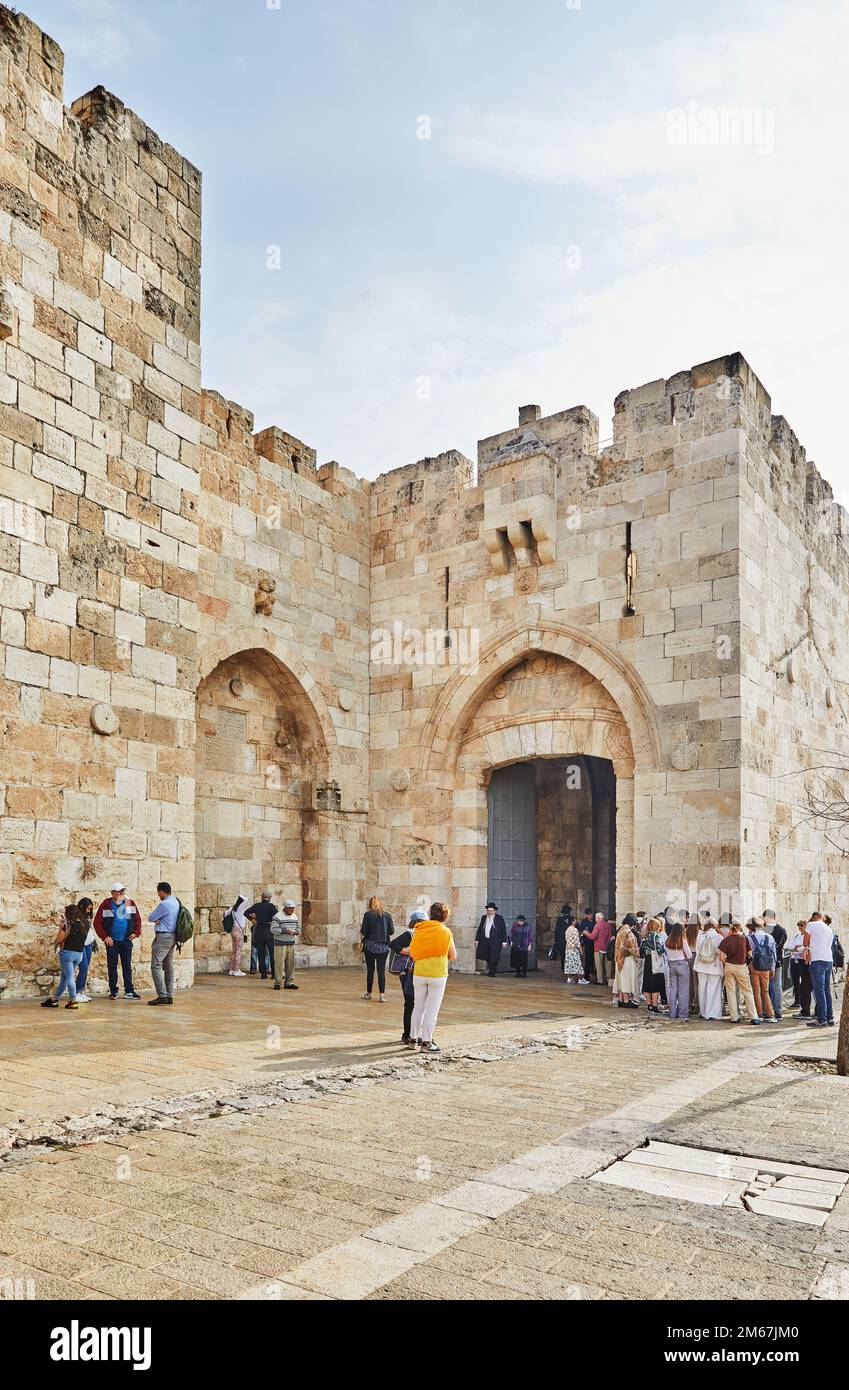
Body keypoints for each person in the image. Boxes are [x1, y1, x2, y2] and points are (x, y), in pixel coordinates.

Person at [408, 902, 457, 1053]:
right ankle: (427, 1043)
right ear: (445, 916)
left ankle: (412, 1039)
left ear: (431, 914)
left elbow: (412, 953)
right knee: (432, 1009)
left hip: (420, 972)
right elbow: (453, 956)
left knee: (418, 1006)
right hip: (437, 974)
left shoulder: (419, 930)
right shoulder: (445, 932)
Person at [93, 883, 142, 1000]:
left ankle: (129, 991)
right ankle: (113, 991)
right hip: (112, 941)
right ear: (112, 893)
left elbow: (137, 919)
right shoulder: (106, 904)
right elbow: (97, 923)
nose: (121, 894)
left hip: (126, 940)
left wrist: (136, 933)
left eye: (123, 891)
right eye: (119, 892)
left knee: (127, 966)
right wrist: (105, 937)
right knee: (112, 966)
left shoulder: (130, 903)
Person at [388, 909, 427, 1044]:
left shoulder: (423, 934)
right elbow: (393, 944)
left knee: (415, 1004)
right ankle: (407, 1034)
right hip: (407, 972)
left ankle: (411, 1034)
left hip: (416, 972)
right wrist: (409, 953)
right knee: (410, 1003)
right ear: (416, 922)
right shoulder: (410, 934)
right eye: (421, 922)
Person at [41, 903, 90, 1009]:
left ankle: (73, 1000)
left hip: (67, 953)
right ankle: (55, 999)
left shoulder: (68, 925)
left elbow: (60, 938)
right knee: (65, 977)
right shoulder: (85, 924)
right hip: (78, 953)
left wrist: (60, 928)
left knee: (70, 978)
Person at [718, 919, 759, 1023]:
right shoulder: (744, 939)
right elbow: (750, 953)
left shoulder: (726, 940)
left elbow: (721, 957)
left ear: (731, 928)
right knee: (747, 991)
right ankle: (753, 1017)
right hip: (741, 966)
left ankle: (734, 1017)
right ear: (740, 927)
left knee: (730, 991)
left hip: (729, 966)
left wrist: (726, 962)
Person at [147, 881, 180, 1004]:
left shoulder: (165, 904)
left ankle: (162, 995)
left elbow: (151, 917)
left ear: (161, 891)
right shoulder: (176, 901)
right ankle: (169, 995)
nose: (158, 895)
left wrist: (157, 919)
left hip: (163, 937)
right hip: (172, 936)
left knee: (156, 965)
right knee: (168, 965)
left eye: (158, 892)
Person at [804, 911, 835, 1028]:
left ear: (814, 917)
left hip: (817, 961)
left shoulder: (811, 925)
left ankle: (822, 1019)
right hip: (828, 960)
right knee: (827, 990)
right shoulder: (829, 929)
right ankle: (829, 1017)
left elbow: (805, 942)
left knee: (819, 990)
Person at [360, 895, 393, 1000]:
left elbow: (363, 931)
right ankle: (382, 996)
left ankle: (369, 993)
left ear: (370, 904)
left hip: (370, 946)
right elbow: (392, 931)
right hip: (383, 947)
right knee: (381, 971)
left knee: (370, 971)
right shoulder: (387, 915)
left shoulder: (368, 914)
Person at [694, 916, 724, 1019]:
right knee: (714, 990)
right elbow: (719, 952)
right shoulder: (718, 937)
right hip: (713, 966)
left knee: (702, 988)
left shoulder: (700, 936)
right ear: (715, 926)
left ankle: (703, 1012)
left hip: (701, 965)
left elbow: (698, 951)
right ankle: (712, 1013)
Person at [748, 917, 778, 1022]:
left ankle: (759, 1014)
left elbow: (748, 954)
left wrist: (750, 966)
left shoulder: (749, 938)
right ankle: (770, 1015)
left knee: (756, 991)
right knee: (765, 991)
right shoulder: (769, 937)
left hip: (754, 967)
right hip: (766, 967)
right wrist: (773, 968)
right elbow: (774, 954)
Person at [270, 899, 301, 990]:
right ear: (285, 908)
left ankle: (289, 982)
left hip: (291, 943)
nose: (292, 910)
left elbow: (298, 927)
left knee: (290, 964)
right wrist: (285, 930)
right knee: (279, 964)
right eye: (290, 908)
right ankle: (278, 982)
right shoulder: (278, 916)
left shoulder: (295, 916)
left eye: (293, 908)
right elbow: (273, 929)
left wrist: (297, 932)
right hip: (280, 944)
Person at [246, 891, 278, 977]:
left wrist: (252, 920)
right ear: (269, 898)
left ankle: (263, 974)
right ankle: (274, 974)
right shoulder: (271, 906)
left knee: (261, 953)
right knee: (271, 953)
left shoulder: (257, 906)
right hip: (268, 931)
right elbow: (277, 917)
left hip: (259, 931)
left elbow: (246, 913)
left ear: (262, 897)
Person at [762, 910, 787, 1020]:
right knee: (776, 987)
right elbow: (779, 946)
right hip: (776, 962)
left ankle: (766, 1010)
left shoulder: (762, 930)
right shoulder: (782, 930)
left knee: (766, 987)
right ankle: (777, 1011)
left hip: (763, 963)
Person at [665, 922, 692, 1020]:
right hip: (681, 965)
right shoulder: (682, 941)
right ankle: (682, 1014)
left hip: (671, 965)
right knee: (683, 991)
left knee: (673, 990)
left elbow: (667, 954)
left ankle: (672, 1013)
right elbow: (689, 955)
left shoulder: (668, 940)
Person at [641, 917, 667, 1015]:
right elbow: (660, 950)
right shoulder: (656, 936)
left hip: (647, 961)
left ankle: (649, 1005)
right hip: (655, 961)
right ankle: (655, 1006)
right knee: (656, 982)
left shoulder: (645, 935)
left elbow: (642, 948)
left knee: (647, 982)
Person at [788, 919, 813, 1018]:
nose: (800, 927)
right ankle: (797, 1001)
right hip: (794, 959)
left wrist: (797, 948)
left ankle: (805, 1007)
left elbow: (805, 947)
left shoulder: (807, 936)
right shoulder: (796, 935)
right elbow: (789, 946)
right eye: (798, 925)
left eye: (802, 925)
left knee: (805, 983)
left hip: (803, 960)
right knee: (795, 981)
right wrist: (797, 948)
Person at [614, 916, 640, 1007]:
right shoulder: (626, 931)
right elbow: (625, 947)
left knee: (622, 979)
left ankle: (621, 999)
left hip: (621, 958)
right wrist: (634, 950)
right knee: (626, 979)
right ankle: (625, 1001)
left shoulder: (621, 930)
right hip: (626, 958)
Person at [475, 903, 507, 977]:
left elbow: (503, 930)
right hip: (485, 940)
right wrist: (477, 939)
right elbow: (480, 929)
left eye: (491, 911)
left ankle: (492, 970)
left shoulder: (499, 918)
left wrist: (504, 941)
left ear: (495, 911)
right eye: (488, 911)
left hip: (496, 941)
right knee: (486, 956)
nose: (490, 912)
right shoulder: (484, 917)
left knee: (494, 956)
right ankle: (492, 970)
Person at [73, 898, 96, 1001]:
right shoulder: (76, 917)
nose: (88, 911)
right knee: (83, 967)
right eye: (87, 908)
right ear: (82, 906)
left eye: (90, 909)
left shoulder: (87, 917)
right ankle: (77, 992)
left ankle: (82, 991)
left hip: (88, 944)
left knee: (86, 968)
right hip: (80, 945)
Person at [226, 893, 248, 978]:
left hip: (233, 930)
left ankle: (231, 970)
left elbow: (225, 914)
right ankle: (236, 970)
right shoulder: (240, 909)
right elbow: (246, 900)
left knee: (234, 951)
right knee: (238, 951)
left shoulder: (233, 909)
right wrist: (241, 896)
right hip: (239, 931)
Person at [587, 912, 612, 987]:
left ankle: (600, 980)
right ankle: (609, 979)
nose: (595, 919)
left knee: (599, 965)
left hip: (598, 947)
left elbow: (593, 936)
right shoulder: (608, 925)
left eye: (596, 918)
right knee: (608, 965)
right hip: (607, 947)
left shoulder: (597, 925)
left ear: (599, 918)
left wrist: (587, 933)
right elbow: (610, 936)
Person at [685, 919, 700, 1014]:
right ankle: (697, 1004)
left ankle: (689, 1004)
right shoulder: (700, 932)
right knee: (697, 982)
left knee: (689, 981)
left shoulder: (686, 931)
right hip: (696, 956)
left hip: (688, 956)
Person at [577, 907, 595, 983]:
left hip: (595, 943)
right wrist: (583, 933)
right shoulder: (584, 922)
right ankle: (587, 976)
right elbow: (580, 931)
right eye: (589, 914)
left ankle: (596, 975)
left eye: (591, 914)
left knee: (594, 960)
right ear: (586, 915)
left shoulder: (595, 921)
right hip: (587, 943)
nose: (591, 915)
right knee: (587, 960)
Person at [553, 904, 573, 971]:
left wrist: (556, 940)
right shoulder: (572, 919)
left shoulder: (559, 919)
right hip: (570, 939)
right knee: (570, 952)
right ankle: (569, 966)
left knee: (562, 953)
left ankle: (563, 966)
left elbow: (556, 930)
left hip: (561, 939)